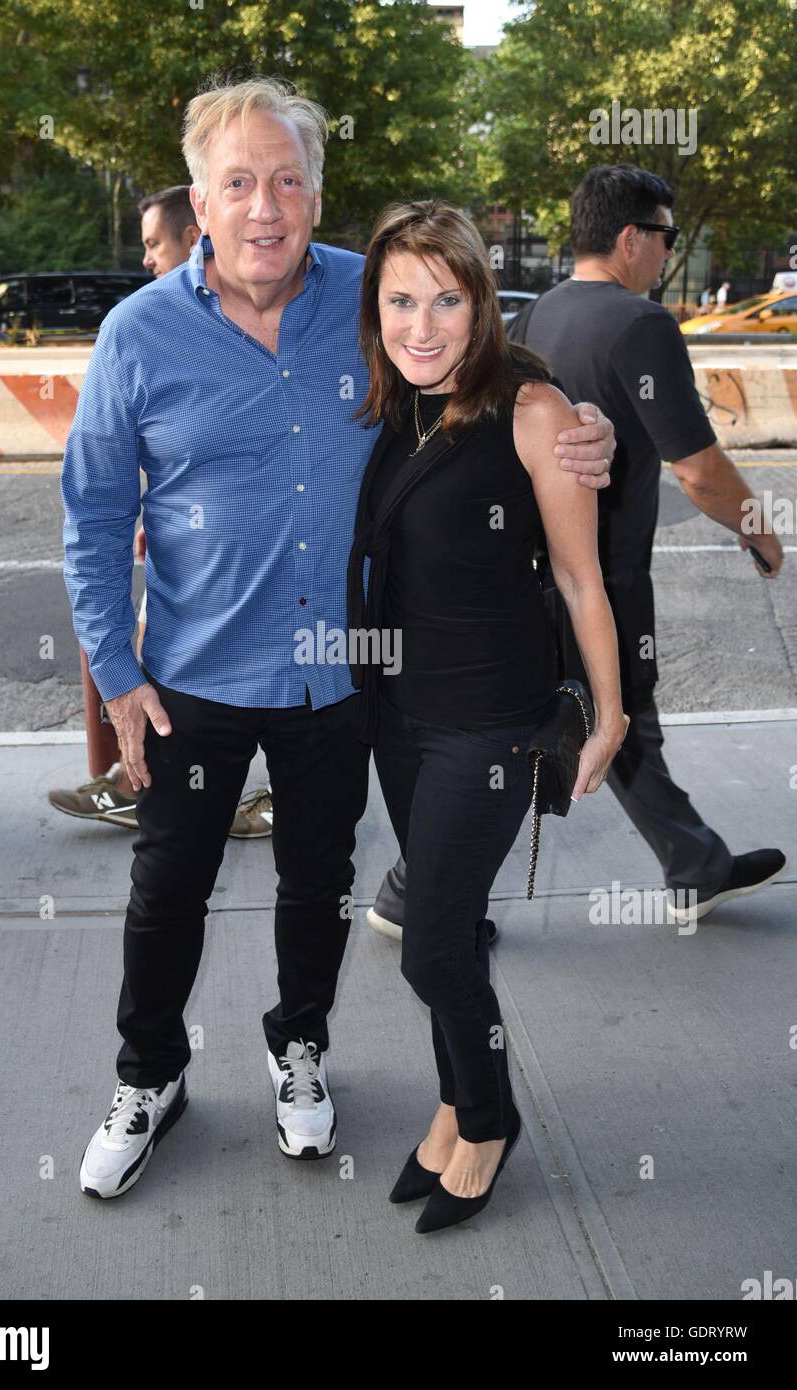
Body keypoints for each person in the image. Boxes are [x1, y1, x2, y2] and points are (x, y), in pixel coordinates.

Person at [62, 76, 618, 1202]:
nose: (262, 205)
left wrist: (578, 421)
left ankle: (297, 1045)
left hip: (339, 680)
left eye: (285, 180)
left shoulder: (372, 301)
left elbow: (477, 348)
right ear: (201, 203)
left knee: (317, 883)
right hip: (191, 680)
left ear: (315, 197)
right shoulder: (137, 335)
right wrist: (115, 677)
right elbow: (89, 515)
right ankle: (149, 1074)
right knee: (167, 888)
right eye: (237, 182)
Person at [369, 165, 785, 941]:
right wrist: (761, 528)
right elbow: (695, 465)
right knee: (585, 727)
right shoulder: (641, 323)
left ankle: (691, 862)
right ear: (631, 237)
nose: (664, 252)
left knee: (582, 727)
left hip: (516, 581)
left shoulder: (539, 313)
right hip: (598, 574)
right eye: (663, 236)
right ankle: (415, 889)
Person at [346, 200, 628, 1233]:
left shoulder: (531, 409)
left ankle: (490, 1113)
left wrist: (609, 712)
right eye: (399, 301)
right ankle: (454, 1101)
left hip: (491, 723)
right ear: (373, 309)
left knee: (427, 947)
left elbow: (577, 575)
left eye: (446, 300)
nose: (421, 325)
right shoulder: (387, 400)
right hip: (397, 713)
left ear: (480, 303)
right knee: (451, 928)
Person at [49, 186, 271, 837]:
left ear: (191, 232)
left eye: (153, 244)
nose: (146, 259)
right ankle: (131, 778)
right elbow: (97, 509)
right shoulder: (140, 329)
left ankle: (137, 781)